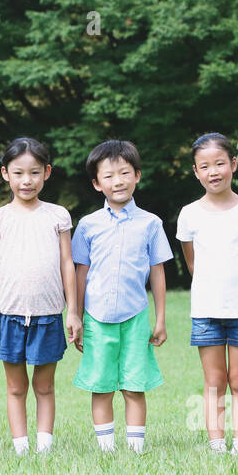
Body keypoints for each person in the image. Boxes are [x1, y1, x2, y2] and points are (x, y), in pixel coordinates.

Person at [71, 140, 172, 454]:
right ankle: (106, 449)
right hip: (97, 317)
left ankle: (136, 448)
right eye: (109, 176)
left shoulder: (150, 223)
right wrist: (74, 314)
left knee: (134, 384)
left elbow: (157, 272)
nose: (118, 181)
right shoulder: (88, 225)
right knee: (100, 385)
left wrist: (161, 319)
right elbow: (80, 273)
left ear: (137, 176)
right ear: (96, 183)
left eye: (125, 173)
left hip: (136, 315)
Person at [0, 137, 79, 455]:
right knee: (15, 386)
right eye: (19, 172)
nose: (27, 180)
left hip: (49, 314)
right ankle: (21, 446)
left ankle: (45, 446)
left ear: (47, 173)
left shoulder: (58, 216)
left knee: (45, 385)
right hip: (9, 315)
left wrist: (73, 311)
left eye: (34, 172)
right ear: (5, 173)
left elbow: (68, 264)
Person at [175, 133, 238, 455]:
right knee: (214, 381)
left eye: (219, 164)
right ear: (196, 172)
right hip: (206, 310)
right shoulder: (189, 214)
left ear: (233, 164)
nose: (213, 172)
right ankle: (217, 444)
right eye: (205, 166)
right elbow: (192, 263)